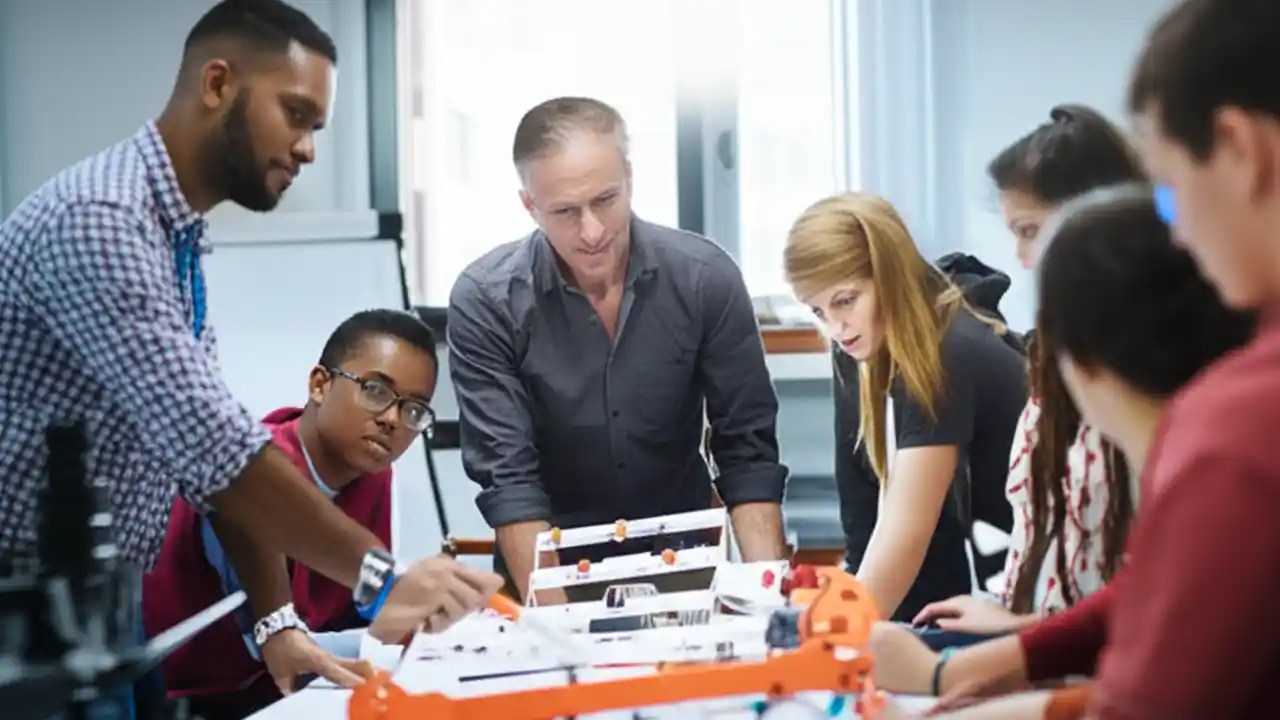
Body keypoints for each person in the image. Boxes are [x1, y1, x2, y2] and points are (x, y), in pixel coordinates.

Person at [0, 2, 502, 715]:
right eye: (295, 114)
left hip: (101, 607)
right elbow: (218, 450)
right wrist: (382, 579)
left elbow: (207, 463)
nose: (307, 149)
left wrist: (276, 625)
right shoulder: (100, 219)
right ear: (217, 85)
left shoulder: (178, 240)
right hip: (26, 620)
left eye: (317, 128)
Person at [866, 183, 1255, 718]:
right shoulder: (1214, 438)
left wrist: (961, 681)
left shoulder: (1218, 474)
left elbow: (1150, 696)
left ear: (1080, 360)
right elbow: (1140, 604)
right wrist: (1004, 652)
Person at [447, 96, 789, 603]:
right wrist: (559, 633)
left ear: (629, 176)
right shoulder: (486, 300)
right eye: (564, 211)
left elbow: (747, 453)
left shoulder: (704, 279)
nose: (592, 231)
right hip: (550, 570)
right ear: (529, 205)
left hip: (685, 563)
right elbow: (509, 480)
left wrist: (771, 606)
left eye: (605, 200)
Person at [910, 105, 1145, 636]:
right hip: (1038, 640)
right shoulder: (1053, 350)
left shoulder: (1145, 363)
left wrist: (1022, 638)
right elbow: (1048, 533)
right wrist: (1009, 623)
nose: (1021, 257)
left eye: (1031, 230)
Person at [141, 309, 439, 719]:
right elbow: (265, 647)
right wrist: (386, 641)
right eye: (375, 390)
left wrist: (418, 619)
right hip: (206, 700)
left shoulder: (373, 475)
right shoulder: (249, 479)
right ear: (319, 385)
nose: (392, 419)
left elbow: (362, 606)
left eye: (413, 411)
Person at [783, 192, 1028, 622]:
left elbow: (905, 536)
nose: (835, 327)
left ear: (891, 275)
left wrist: (836, 641)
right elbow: (868, 519)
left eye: (845, 300)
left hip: (1030, 598)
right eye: (818, 311)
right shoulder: (861, 345)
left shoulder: (947, 352)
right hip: (985, 585)